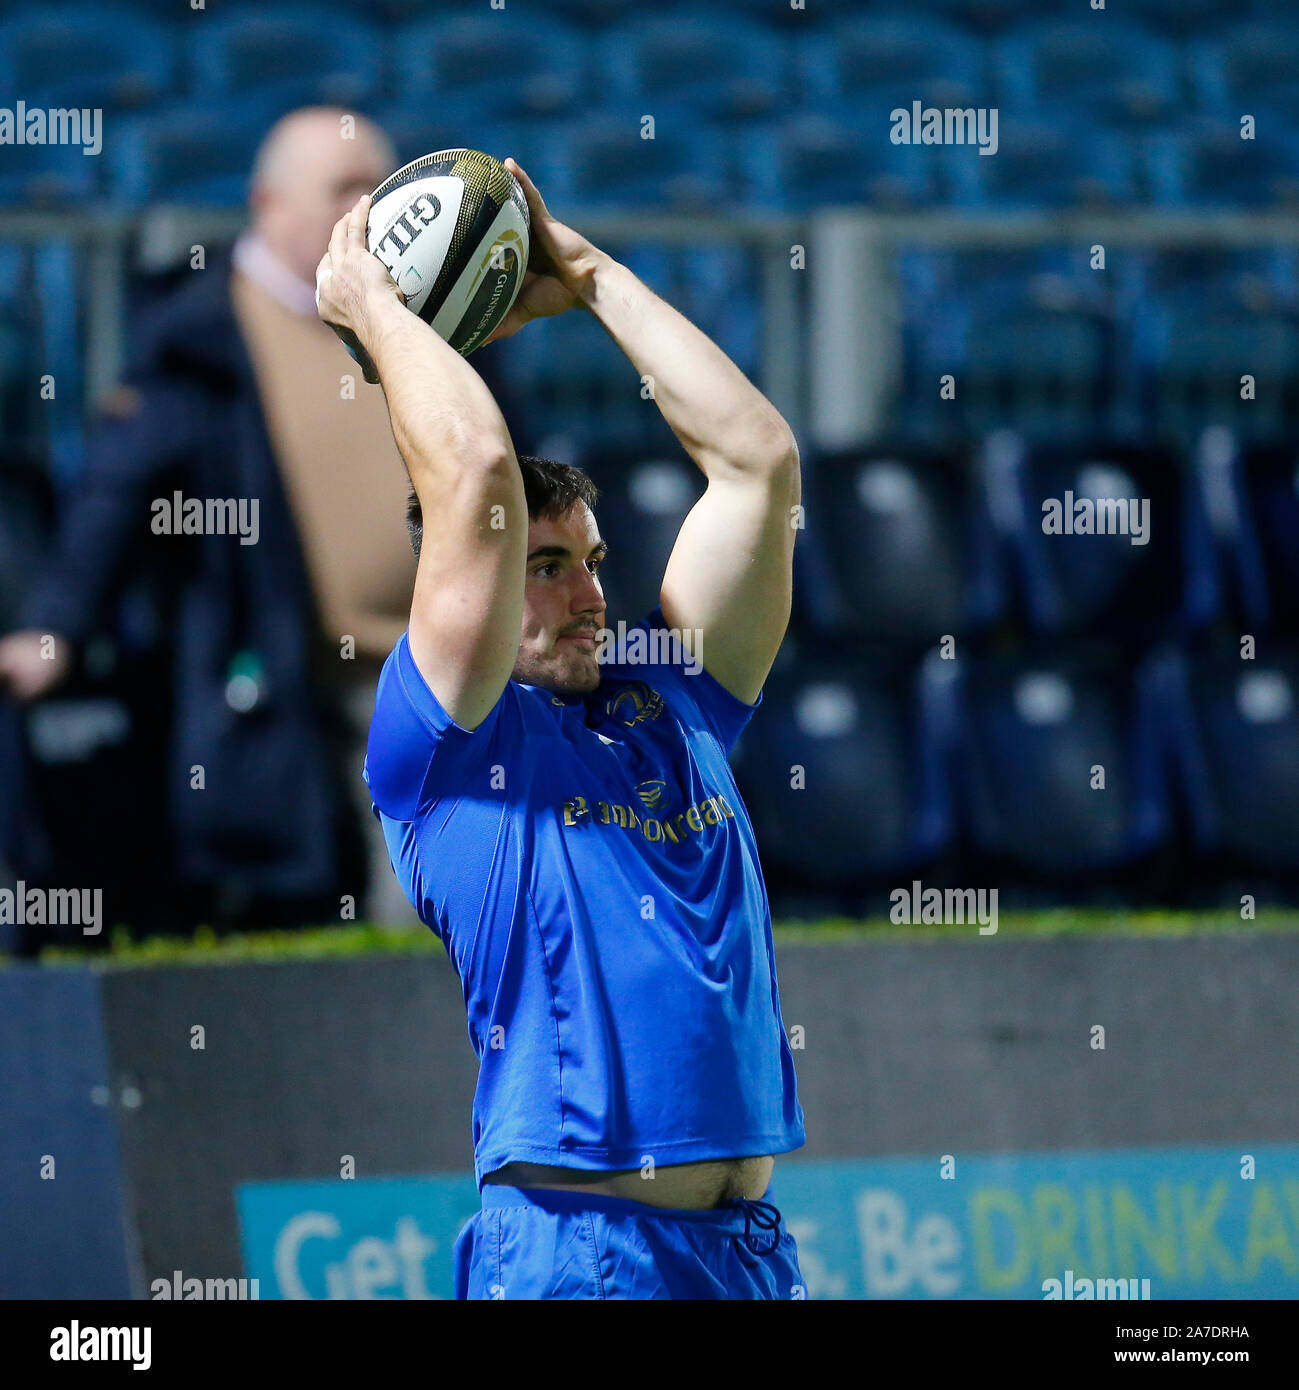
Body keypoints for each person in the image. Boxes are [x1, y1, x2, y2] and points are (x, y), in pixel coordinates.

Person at [315, 161, 806, 1300]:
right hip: (579, 1256)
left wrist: (584, 272)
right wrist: (379, 315)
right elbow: (476, 475)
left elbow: (756, 464)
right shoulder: (443, 748)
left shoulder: (669, 690)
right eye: (545, 568)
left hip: (743, 1256)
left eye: (590, 560)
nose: (588, 592)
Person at [0, 108, 523, 929]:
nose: (368, 208)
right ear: (268, 201)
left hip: (442, 675)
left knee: (450, 929)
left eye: (379, 188)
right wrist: (54, 628)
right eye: (343, 188)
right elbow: (115, 492)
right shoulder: (199, 333)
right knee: (320, 930)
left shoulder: (437, 321)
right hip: (291, 686)